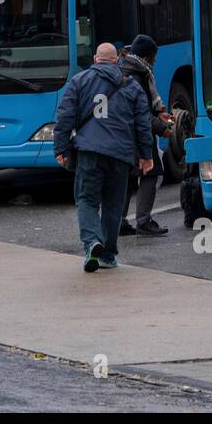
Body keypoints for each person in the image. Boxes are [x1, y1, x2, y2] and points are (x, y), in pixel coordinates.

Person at [53, 42, 154, 272]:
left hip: (89, 152)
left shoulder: (79, 81)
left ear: (95, 59)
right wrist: (146, 155)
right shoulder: (132, 86)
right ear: (117, 60)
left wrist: (61, 149)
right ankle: (108, 254)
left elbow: (64, 118)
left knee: (87, 200)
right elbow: (143, 123)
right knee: (113, 205)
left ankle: (92, 243)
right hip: (120, 154)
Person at [119, 34, 174, 237]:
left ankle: (119, 221)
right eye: (154, 56)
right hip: (137, 134)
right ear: (147, 56)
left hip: (123, 133)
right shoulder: (137, 75)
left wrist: (160, 114)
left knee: (127, 176)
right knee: (151, 172)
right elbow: (139, 113)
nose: (155, 60)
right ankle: (143, 221)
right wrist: (161, 127)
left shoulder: (128, 69)